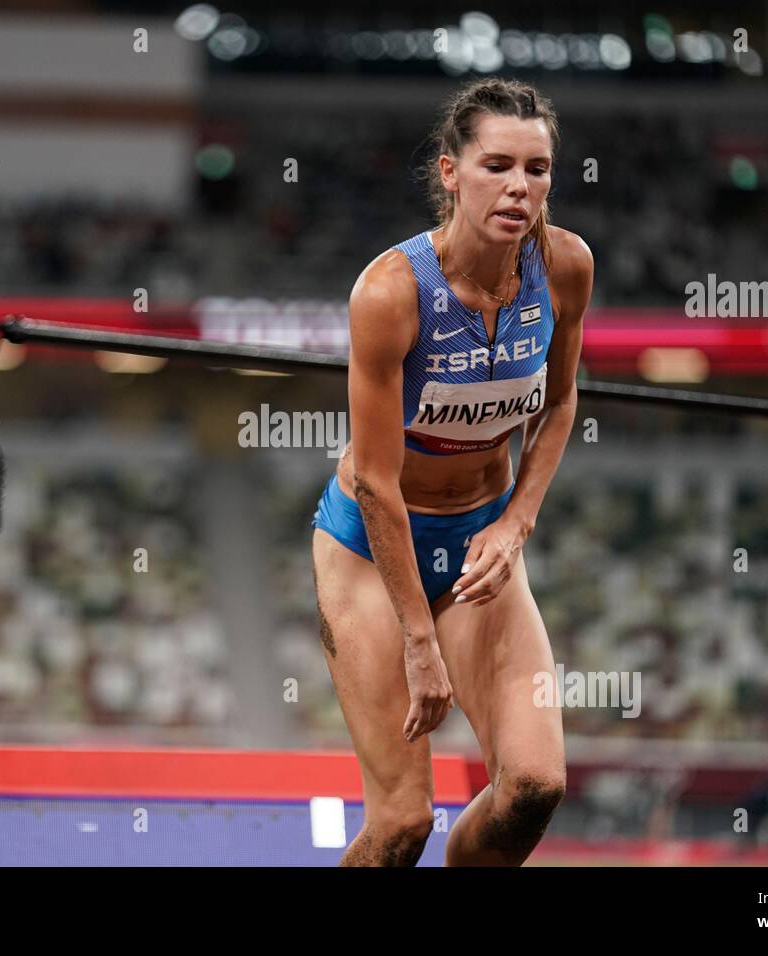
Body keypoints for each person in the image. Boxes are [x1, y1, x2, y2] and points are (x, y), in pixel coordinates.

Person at [310, 77, 593, 866]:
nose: (519, 187)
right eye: (497, 165)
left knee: (534, 786)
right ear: (450, 172)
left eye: (537, 169)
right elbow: (374, 482)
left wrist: (514, 521)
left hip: (480, 545)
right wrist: (418, 638)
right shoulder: (391, 292)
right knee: (401, 823)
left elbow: (562, 402)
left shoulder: (566, 267)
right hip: (372, 550)